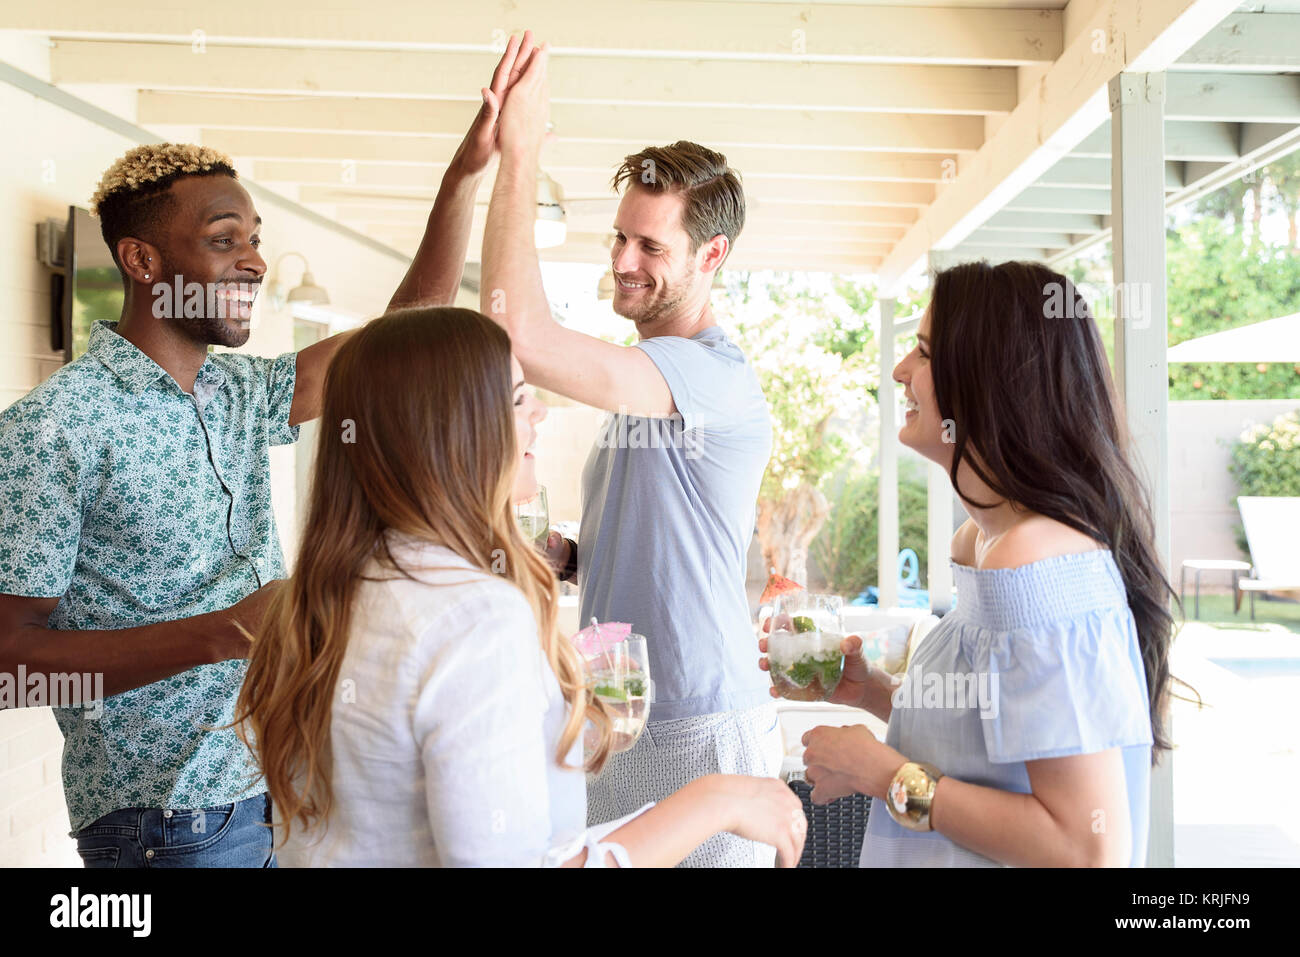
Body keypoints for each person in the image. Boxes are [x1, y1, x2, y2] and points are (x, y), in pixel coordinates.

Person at [0, 39, 529, 867]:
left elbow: (400, 342)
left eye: (254, 236)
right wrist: (221, 633)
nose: (252, 260)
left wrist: (462, 179)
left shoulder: (244, 392)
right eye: (223, 240)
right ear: (142, 261)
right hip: (164, 829)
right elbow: (9, 670)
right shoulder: (53, 428)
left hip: (280, 783)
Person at [233, 307, 806, 867]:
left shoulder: (321, 600)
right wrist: (716, 801)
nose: (539, 413)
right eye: (514, 397)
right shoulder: (474, 617)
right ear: (451, 432)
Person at [479, 37, 780, 867]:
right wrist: (571, 557)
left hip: (698, 726)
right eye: (620, 238)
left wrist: (521, 151)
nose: (622, 262)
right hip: (622, 708)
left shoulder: (707, 377)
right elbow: (659, 538)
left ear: (711, 257)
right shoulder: (646, 384)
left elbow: (515, 331)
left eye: (651, 247)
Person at [774, 260, 1173, 867]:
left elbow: (1088, 849)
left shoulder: (1036, 559)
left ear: (992, 380)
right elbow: (1004, 740)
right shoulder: (982, 543)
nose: (900, 370)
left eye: (925, 353)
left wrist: (884, 774)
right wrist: (878, 695)